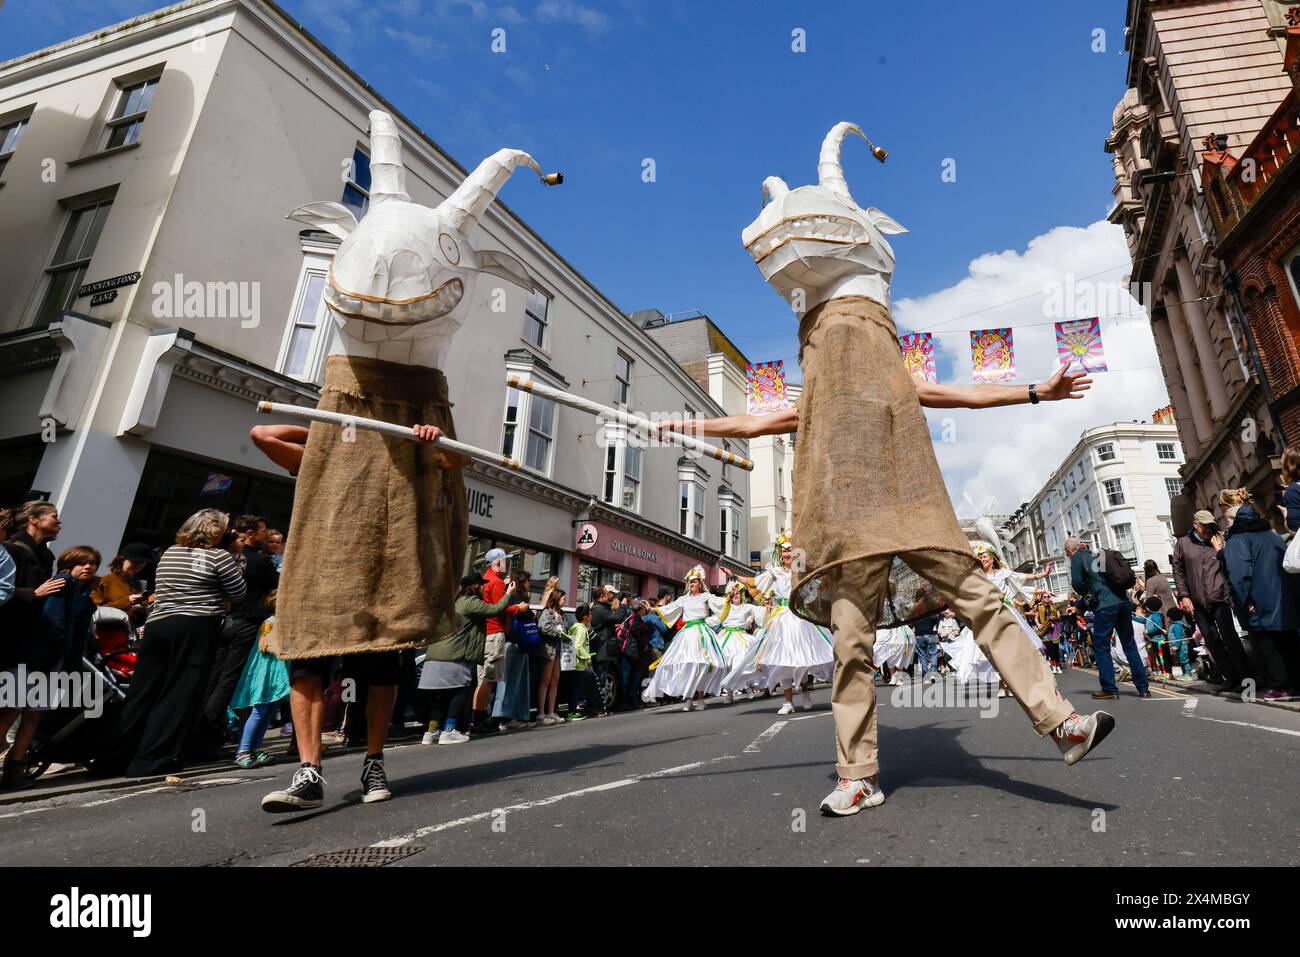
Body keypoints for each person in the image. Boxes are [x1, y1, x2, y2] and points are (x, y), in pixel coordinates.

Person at [254, 418, 470, 810]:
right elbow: (262, 435)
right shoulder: (323, 460)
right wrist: (326, 431)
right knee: (306, 671)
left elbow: (459, 459)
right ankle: (309, 771)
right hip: (319, 585)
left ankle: (374, 761)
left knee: (380, 675)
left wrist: (431, 437)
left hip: (377, 588)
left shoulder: (398, 464)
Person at [101, 509, 247, 777]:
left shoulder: (170, 552)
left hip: (159, 624)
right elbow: (238, 593)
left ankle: (114, 757)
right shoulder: (220, 557)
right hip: (196, 625)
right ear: (216, 532)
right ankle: (153, 758)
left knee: (143, 690)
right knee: (179, 692)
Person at [722, 536, 834, 714]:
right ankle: (788, 702)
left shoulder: (802, 571)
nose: (786, 553)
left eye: (789, 550)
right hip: (781, 619)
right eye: (783, 550)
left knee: (801, 657)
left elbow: (817, 588)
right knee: (782, 660)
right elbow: (754, 582)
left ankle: (804, 690)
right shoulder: (775, 572)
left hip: (799, 617)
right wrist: (734, 575)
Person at [198, 514, 279, 753]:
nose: (267, 536)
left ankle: (202, 732)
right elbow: (276, 587)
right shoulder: (257, 562)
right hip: (245, 624)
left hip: (225, 621)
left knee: (213, 680)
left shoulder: (227, 558)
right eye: (263, 532)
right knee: (227, 681)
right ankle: (208, 737)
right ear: (252, 534)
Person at [0, 501, 66, 786]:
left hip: (37, 641)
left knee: (33, 708)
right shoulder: (12, 549)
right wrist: (33, 593)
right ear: (33, 520)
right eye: (54, 517)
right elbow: (4, 593)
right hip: (12, 641)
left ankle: (16, 765)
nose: (59, 522)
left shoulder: (46, 555)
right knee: (10, 707)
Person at [421, 574, 527, 744]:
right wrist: (508, 594)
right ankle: (449, 730)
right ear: (474, 587)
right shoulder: (469, 601)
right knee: (460, 691)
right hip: (453, 655)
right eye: (482, 585)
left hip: (436, 653)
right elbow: (494, 610)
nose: (485, 588)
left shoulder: (453, 602)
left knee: (443, 696)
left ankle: (431, 732)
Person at [1220, 497, 1300, 699]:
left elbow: (1238, 575)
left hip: (1260, 600)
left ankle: (1281, 687)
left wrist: (1245, 601)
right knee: (1289, 643)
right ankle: (1295, 684)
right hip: (1287, 598)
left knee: (1268, 644)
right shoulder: (1272, 536)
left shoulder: (1237, 540)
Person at [1172, 510, 1255, 693]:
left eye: (1211, 525)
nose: (1208, 529)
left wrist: (1219, 548)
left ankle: (1246, 678)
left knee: (1230, 637)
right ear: (1196, 525)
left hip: (1219, 597)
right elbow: (1178, 571)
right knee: (1212, 640)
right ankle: (1230, 677)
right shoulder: (1183, 544)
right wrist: (1184, 596)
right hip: (1196, 600)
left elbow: (1230, 564)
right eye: (1205, 526)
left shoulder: (1217, 540)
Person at [1067, 536, 1150, 699]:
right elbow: (1101, 585)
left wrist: (1083, 593)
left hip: (1106, 607)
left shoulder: (1077, 557)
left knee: (1101, 645)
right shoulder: (1097, 556)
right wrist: (1080, 606)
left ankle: (1109, 689)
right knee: (1129, 645)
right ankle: (1143, 688)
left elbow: (1078, 583)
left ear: (1070, 550)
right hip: (1123, 602)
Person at [643, 566, 727, 711]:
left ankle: (700, 698)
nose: (692, 584)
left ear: (700, 583)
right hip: (687, 634)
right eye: (690, 582)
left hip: (701, 633)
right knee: (685, 664)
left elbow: (720, 604)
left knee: (701, 664)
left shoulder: (706, 597)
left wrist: (729, 597)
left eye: (694, 581)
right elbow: (670, 608)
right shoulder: (683, 599)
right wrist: (653, 609)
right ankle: (688, 699)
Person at [230, 592, 290, 767]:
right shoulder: (269, 623)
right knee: (259, 711)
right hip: (267, 673)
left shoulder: (280, 623)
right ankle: (242, 750)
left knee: (270, 711)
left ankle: (255, 748)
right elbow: (264, 644)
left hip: (277, 673)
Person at [471, 548, 510, 735]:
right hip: (494, 633)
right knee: (490, 678)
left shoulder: (484, 580)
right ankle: (479, 719)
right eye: (504, 560)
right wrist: (518, 608)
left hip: (484, 633)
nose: (506, 563)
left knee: (483, 679)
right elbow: (499, 609)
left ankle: (477, 716)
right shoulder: (496, 582)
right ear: (497, 562)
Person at [492, 571, 535, 729]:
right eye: (528, 580)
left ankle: (512, 715)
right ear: (522, 581)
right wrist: (529, 612)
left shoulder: (516, 596)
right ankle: (504, 716)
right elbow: (525, 614)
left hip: (516, 641)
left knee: (514, 680)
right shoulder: (516, 596)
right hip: (514, 641)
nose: (530, 583)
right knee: (509, 681)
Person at [713, 580, 763, 701]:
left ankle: (748, 687)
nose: (736, 595)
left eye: (738, 593)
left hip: (742, 637)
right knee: (726, 663)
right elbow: (715, 619)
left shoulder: (746, 607)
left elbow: (761, 610)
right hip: (725, 637)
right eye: (733, 593)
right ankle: (729, 692)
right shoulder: (725, 608)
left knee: (742, 661)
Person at [92, 542, 155, 627]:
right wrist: (127, 601)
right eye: (134, 561)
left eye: (142, 562)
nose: (138, 565)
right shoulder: (105, 581)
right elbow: (94, 610)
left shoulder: (137, 583)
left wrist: (141, 609)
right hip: (104, 632)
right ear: (122, 559)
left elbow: (135, 619)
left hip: (126, 634)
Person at [536, 587, 568, 725]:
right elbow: (543, 627)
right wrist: (558, 632)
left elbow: (565, 629)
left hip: (558, 650)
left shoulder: (562, 614)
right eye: (563, 598)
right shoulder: (546, 612)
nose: (564, 601)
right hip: (548, 650)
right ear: (556, 599)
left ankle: (551, 711)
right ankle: (541, 713)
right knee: (545, 681)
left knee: (555, 681)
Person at [589, 586, 621, 715]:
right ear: (602, 596)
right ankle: (597, 708)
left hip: (602, 648)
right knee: (600, 679)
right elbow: (616, 618)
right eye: (606, 594)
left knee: (600, 678)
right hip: (602, 648)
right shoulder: (600, 610)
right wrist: (623, 606)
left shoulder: (598, 608)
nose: (608, 596)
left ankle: (599, 707)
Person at [564, 605, 598, 721]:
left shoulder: (575, 627)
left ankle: (573, 710)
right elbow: (578, 646)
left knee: (574, 688)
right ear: (585, 617)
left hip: (575, 663)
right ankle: (573, 712)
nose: (591, 616)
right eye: (590, 614)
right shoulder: (582, 629)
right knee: (576, 689)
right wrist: (587, 657)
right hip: (579, 664)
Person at [912, 611, 941, 682]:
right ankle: (933, 673)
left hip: (919, 635)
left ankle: (926, 674)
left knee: (922, 655)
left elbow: (911, 623)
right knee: (933, 654)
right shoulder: (930, 611)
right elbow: (936, 619)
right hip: (930, 634)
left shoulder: (915, 613)